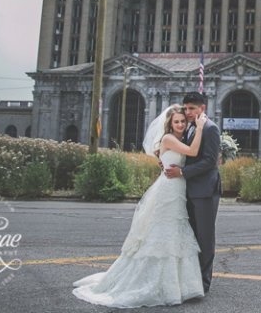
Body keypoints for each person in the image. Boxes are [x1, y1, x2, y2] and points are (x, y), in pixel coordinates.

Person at [72, 104, 207, 307]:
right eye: (176, 122)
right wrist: (201, 127)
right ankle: (155, 282)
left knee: (175, 231)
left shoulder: (178, 138)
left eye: (182, 121)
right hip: (168, 190)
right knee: (162, 232)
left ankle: (178, 284)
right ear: (170, 124)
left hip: (177, 188)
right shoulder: (170, 138)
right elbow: (193, 150)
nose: (180, 124)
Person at [164, 91, 222, 294]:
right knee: (192, 237)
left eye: (192, 109)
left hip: (205, 190)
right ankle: (191, 279)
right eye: (186, 108)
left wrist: (182, 172)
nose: (188, 112)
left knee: (205, 238)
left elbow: (209, 161)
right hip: (188, 190)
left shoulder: (210, 128)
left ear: (202, 108)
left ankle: (204, 284)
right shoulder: (191, 128)